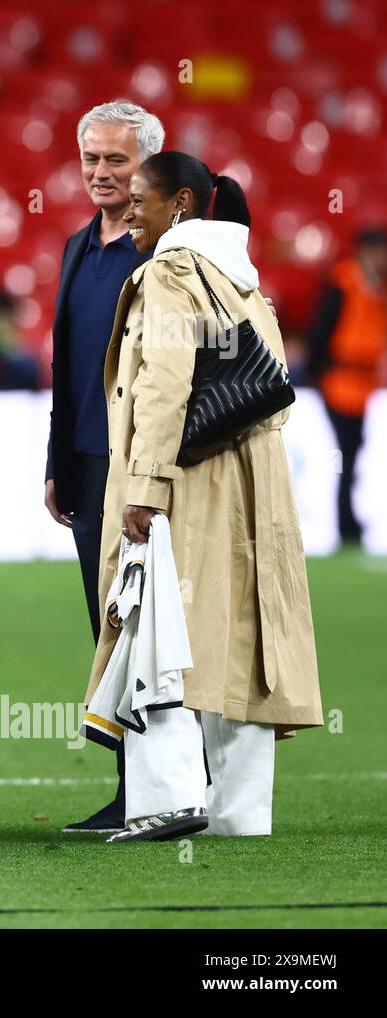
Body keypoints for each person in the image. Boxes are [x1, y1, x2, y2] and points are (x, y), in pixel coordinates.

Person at [89, 150, 323, 842]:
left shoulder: (168, 271)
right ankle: (241, 815)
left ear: (181, 205)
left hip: (190, 480)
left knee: (159, 627)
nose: (129, 215)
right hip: (258, 478)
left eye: (140, 201)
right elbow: (277, 386)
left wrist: (146, 484)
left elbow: (163, 385)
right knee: (244, 637)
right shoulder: (243, 275)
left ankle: (169, 797)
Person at [45, 100, 163, 834]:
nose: (99, 172)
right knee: (112, 631)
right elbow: (69, 364)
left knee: (156, 632)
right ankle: (139, 790)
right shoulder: (77, 248)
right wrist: (57, 460)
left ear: (146, 166)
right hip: (89, 466)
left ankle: (165, 787)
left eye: (115, 160)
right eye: (91, 158)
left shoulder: (168, 254)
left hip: (145, 470)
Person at [304, 226, 387, 547]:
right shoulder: (343, 281)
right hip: (339, 382)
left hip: (365, 385)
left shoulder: (377, 287)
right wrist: (316, 375)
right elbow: (321, 329)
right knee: (343, 455)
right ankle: (346, 524)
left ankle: (350, 522)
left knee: (352, 455)